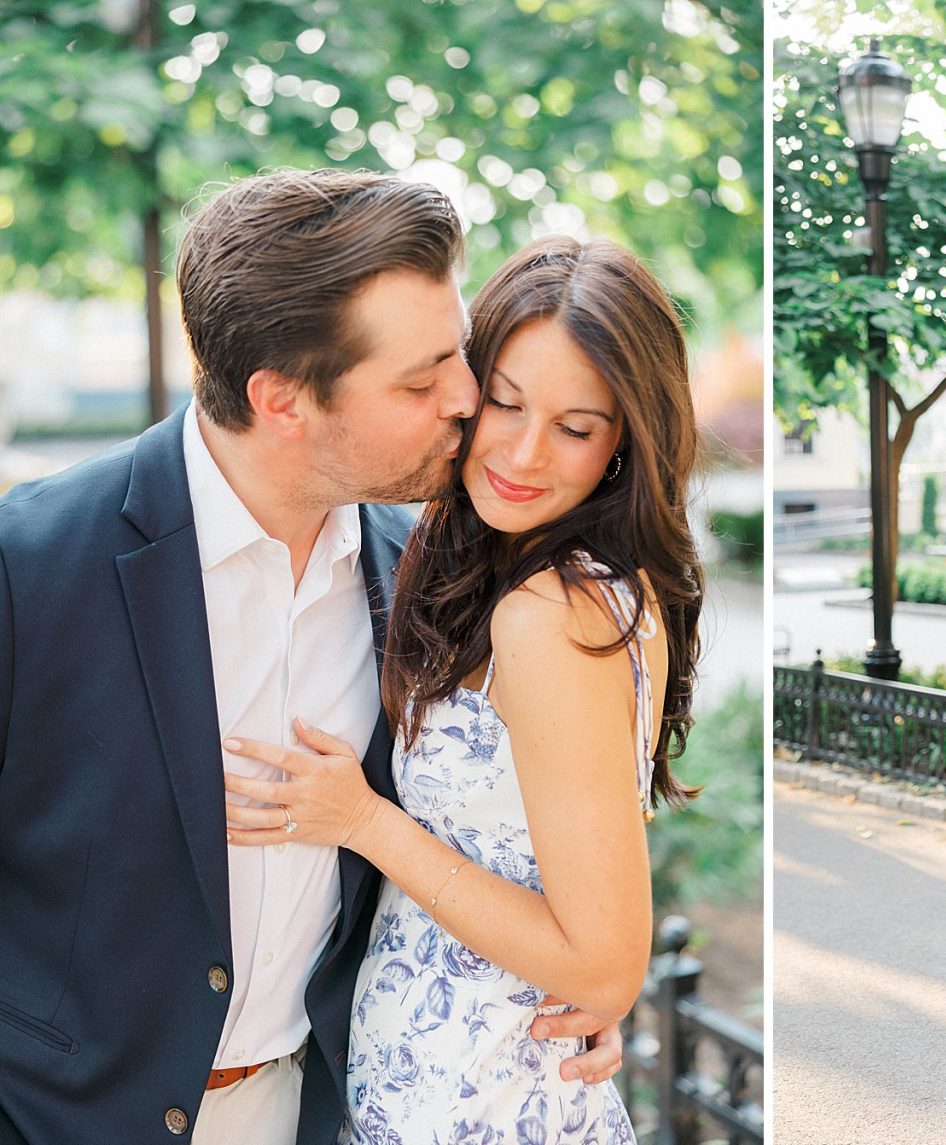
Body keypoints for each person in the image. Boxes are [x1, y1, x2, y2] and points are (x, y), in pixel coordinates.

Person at [0, 170, 617, 1145]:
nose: (467, 398)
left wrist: (570, 980)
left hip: (317, 1108)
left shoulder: (426, 573)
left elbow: (479, 828)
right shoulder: (25, 565)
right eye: (420, 381)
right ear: (282, 398)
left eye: (457, 354)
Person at [222, 236, 703, 1141]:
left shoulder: (551, 613)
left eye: (575, 425)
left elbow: (603, 966)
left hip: (484, 1101)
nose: (522, 452)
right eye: (506, 404)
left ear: (624, 440)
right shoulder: (534, 576)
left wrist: (364, 820)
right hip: (448, 1079)